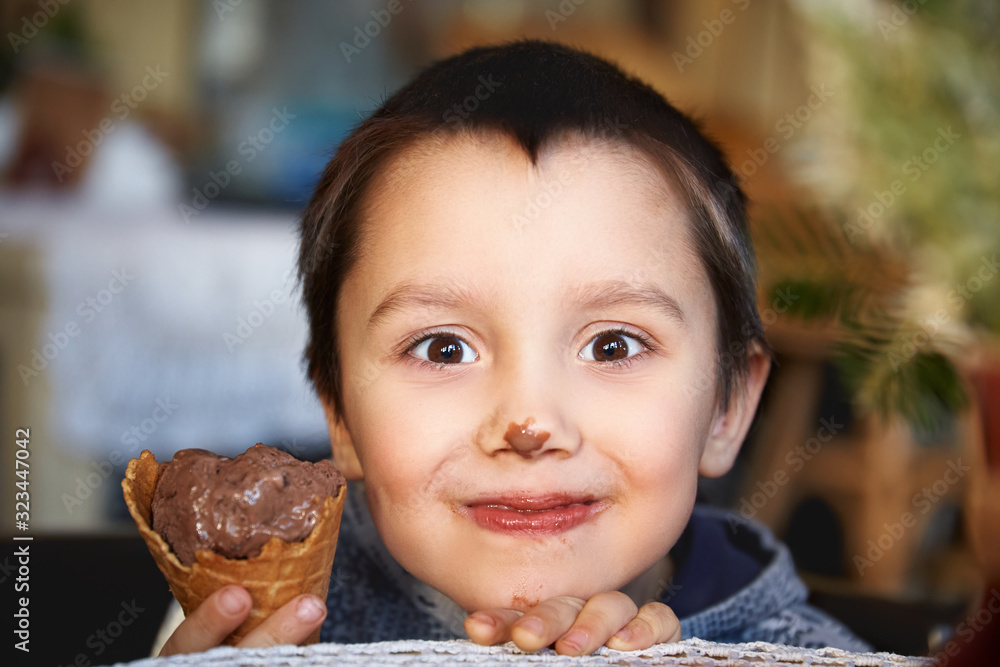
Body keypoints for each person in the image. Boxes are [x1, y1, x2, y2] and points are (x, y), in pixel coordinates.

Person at [158, 40, 870, 656]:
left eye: (614, 344)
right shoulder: (249, 627)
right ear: (340, 414)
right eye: (442, 349)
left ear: (727, 405)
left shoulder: (808, 658)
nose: (529, 422)